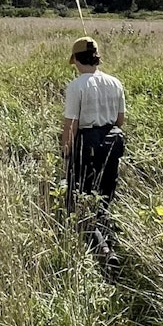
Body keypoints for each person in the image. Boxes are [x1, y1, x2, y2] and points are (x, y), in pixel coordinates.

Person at [61, 36, 126, 221]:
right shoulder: (115, 82)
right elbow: (120, 120)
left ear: (76, 59)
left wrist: (66, 153)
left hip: (86, 143)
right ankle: (105, 229)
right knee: (105, 193)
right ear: (96, 57)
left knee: (81, 192)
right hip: (112, 142)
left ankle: (90, 235)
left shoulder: (76, 86)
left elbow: (70, 125)